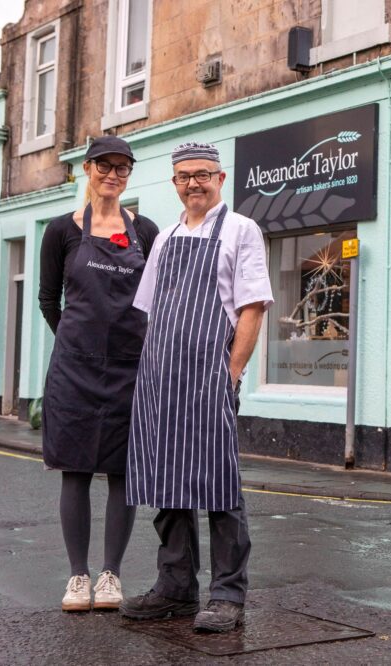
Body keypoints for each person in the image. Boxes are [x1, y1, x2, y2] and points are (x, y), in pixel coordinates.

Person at [120, 142, 272, 633]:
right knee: (166, 481)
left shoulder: (241, 230)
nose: (194, 183)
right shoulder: (164, 238)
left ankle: (227, 594)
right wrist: (149, 371)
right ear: (174, 184)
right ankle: (175, 587)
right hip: (160, 379)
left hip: (210, 377)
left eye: (203, 174)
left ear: (220, 178)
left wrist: (231, 374)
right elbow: (151, 311)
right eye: (185, 176)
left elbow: (253, 308)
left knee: (219, 485)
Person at [39, 135, 160, 612]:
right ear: (87, 169)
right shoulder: (61, 230)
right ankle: (78, 576)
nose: (113, 175)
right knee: (75, 471)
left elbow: (156, 297)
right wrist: (76, 344)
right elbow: (49, 299)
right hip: (75, 370)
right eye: (104, 166)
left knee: (123, 473)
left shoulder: (145, 231)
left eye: (122, 168)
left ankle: (111, 575)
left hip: (130, 369)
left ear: (129, 175)